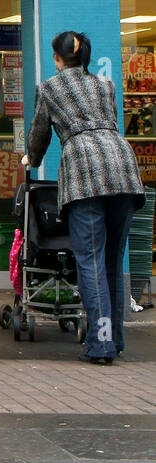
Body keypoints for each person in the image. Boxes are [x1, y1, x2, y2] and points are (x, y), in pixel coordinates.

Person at [22, 30, 145, 365]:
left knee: (89, 259)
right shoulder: (106, 84)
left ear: (58, 58)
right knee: (112, 261)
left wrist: (30, 159)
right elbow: (109, 123)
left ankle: (100, 343)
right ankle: (113, 338)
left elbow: (39, 135)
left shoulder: (49, 88)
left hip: (84, 170)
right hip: (122, 165)